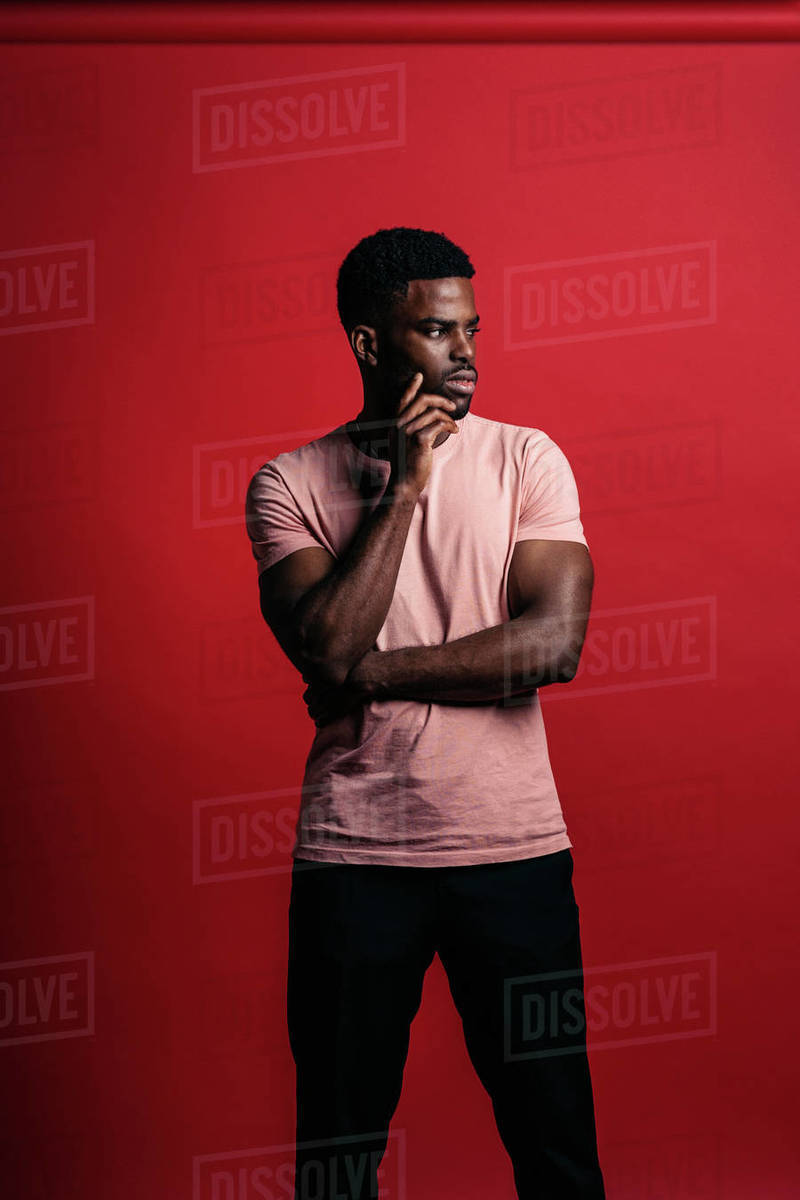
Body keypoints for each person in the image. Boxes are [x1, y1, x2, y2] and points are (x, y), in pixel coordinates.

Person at [245, 227, 605, 1199]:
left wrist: (373, 670)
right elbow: (321, 647)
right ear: (370, 345)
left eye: (472, 332)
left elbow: (549, 646)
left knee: (556, 1144)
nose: (465, 356)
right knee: (336, 1153)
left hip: (512, 852)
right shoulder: (288, 483)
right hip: (355, 860)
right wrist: (403, 485)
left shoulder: (527, 458)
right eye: (437, 334)